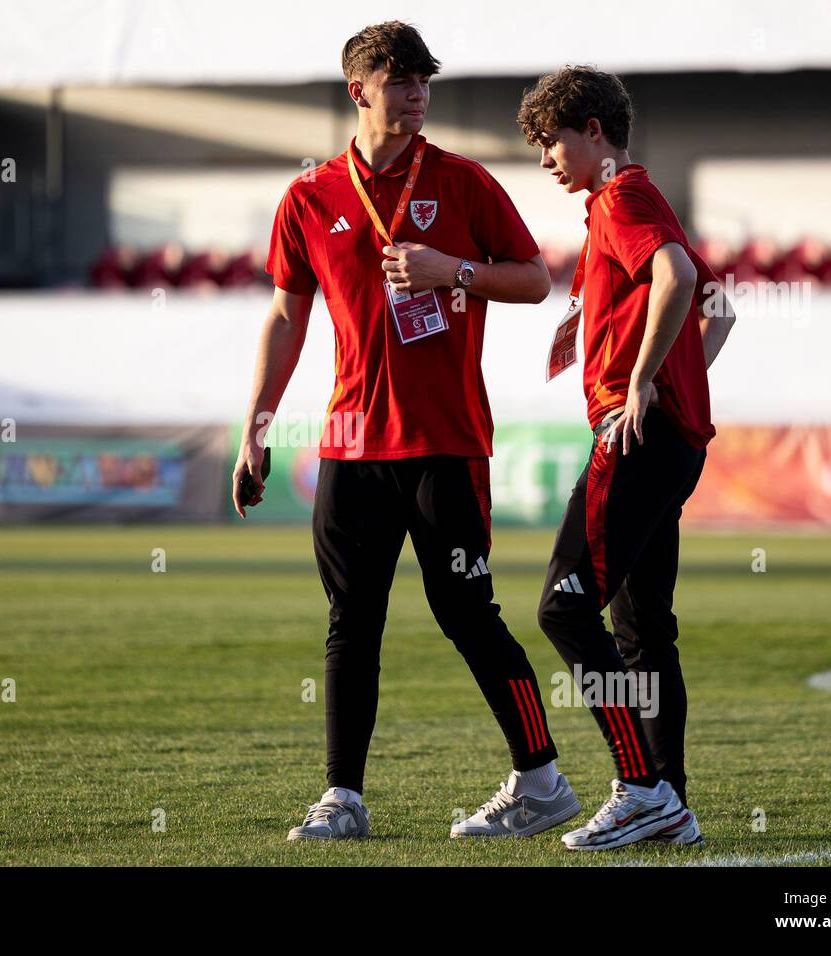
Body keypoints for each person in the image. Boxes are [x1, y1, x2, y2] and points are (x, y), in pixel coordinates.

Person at [234, 20, 580, 841]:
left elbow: (535, 280)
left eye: (424, 80)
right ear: (360, 91)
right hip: (350, 449)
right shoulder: (310, 196)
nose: (418, 94)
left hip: (445, 445)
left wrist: (452, 271)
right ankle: (342, 798)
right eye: (401, 81)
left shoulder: (463, 183)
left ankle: (544, 782)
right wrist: (256, 425)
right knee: (351, 623)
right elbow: (287, 313)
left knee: (468, 615)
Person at [517, 66, 736, 850]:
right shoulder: (630, 199)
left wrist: (643, 382)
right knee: (643, 630)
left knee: (562, 608)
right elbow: (722, 308)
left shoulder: (619, 196)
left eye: (551, 141)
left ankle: (641, 787)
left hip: (636, 439)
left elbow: (679, 280)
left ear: (594, 133)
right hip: (669, 440)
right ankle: (668, 801)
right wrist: (673, 385)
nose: (545, 158)